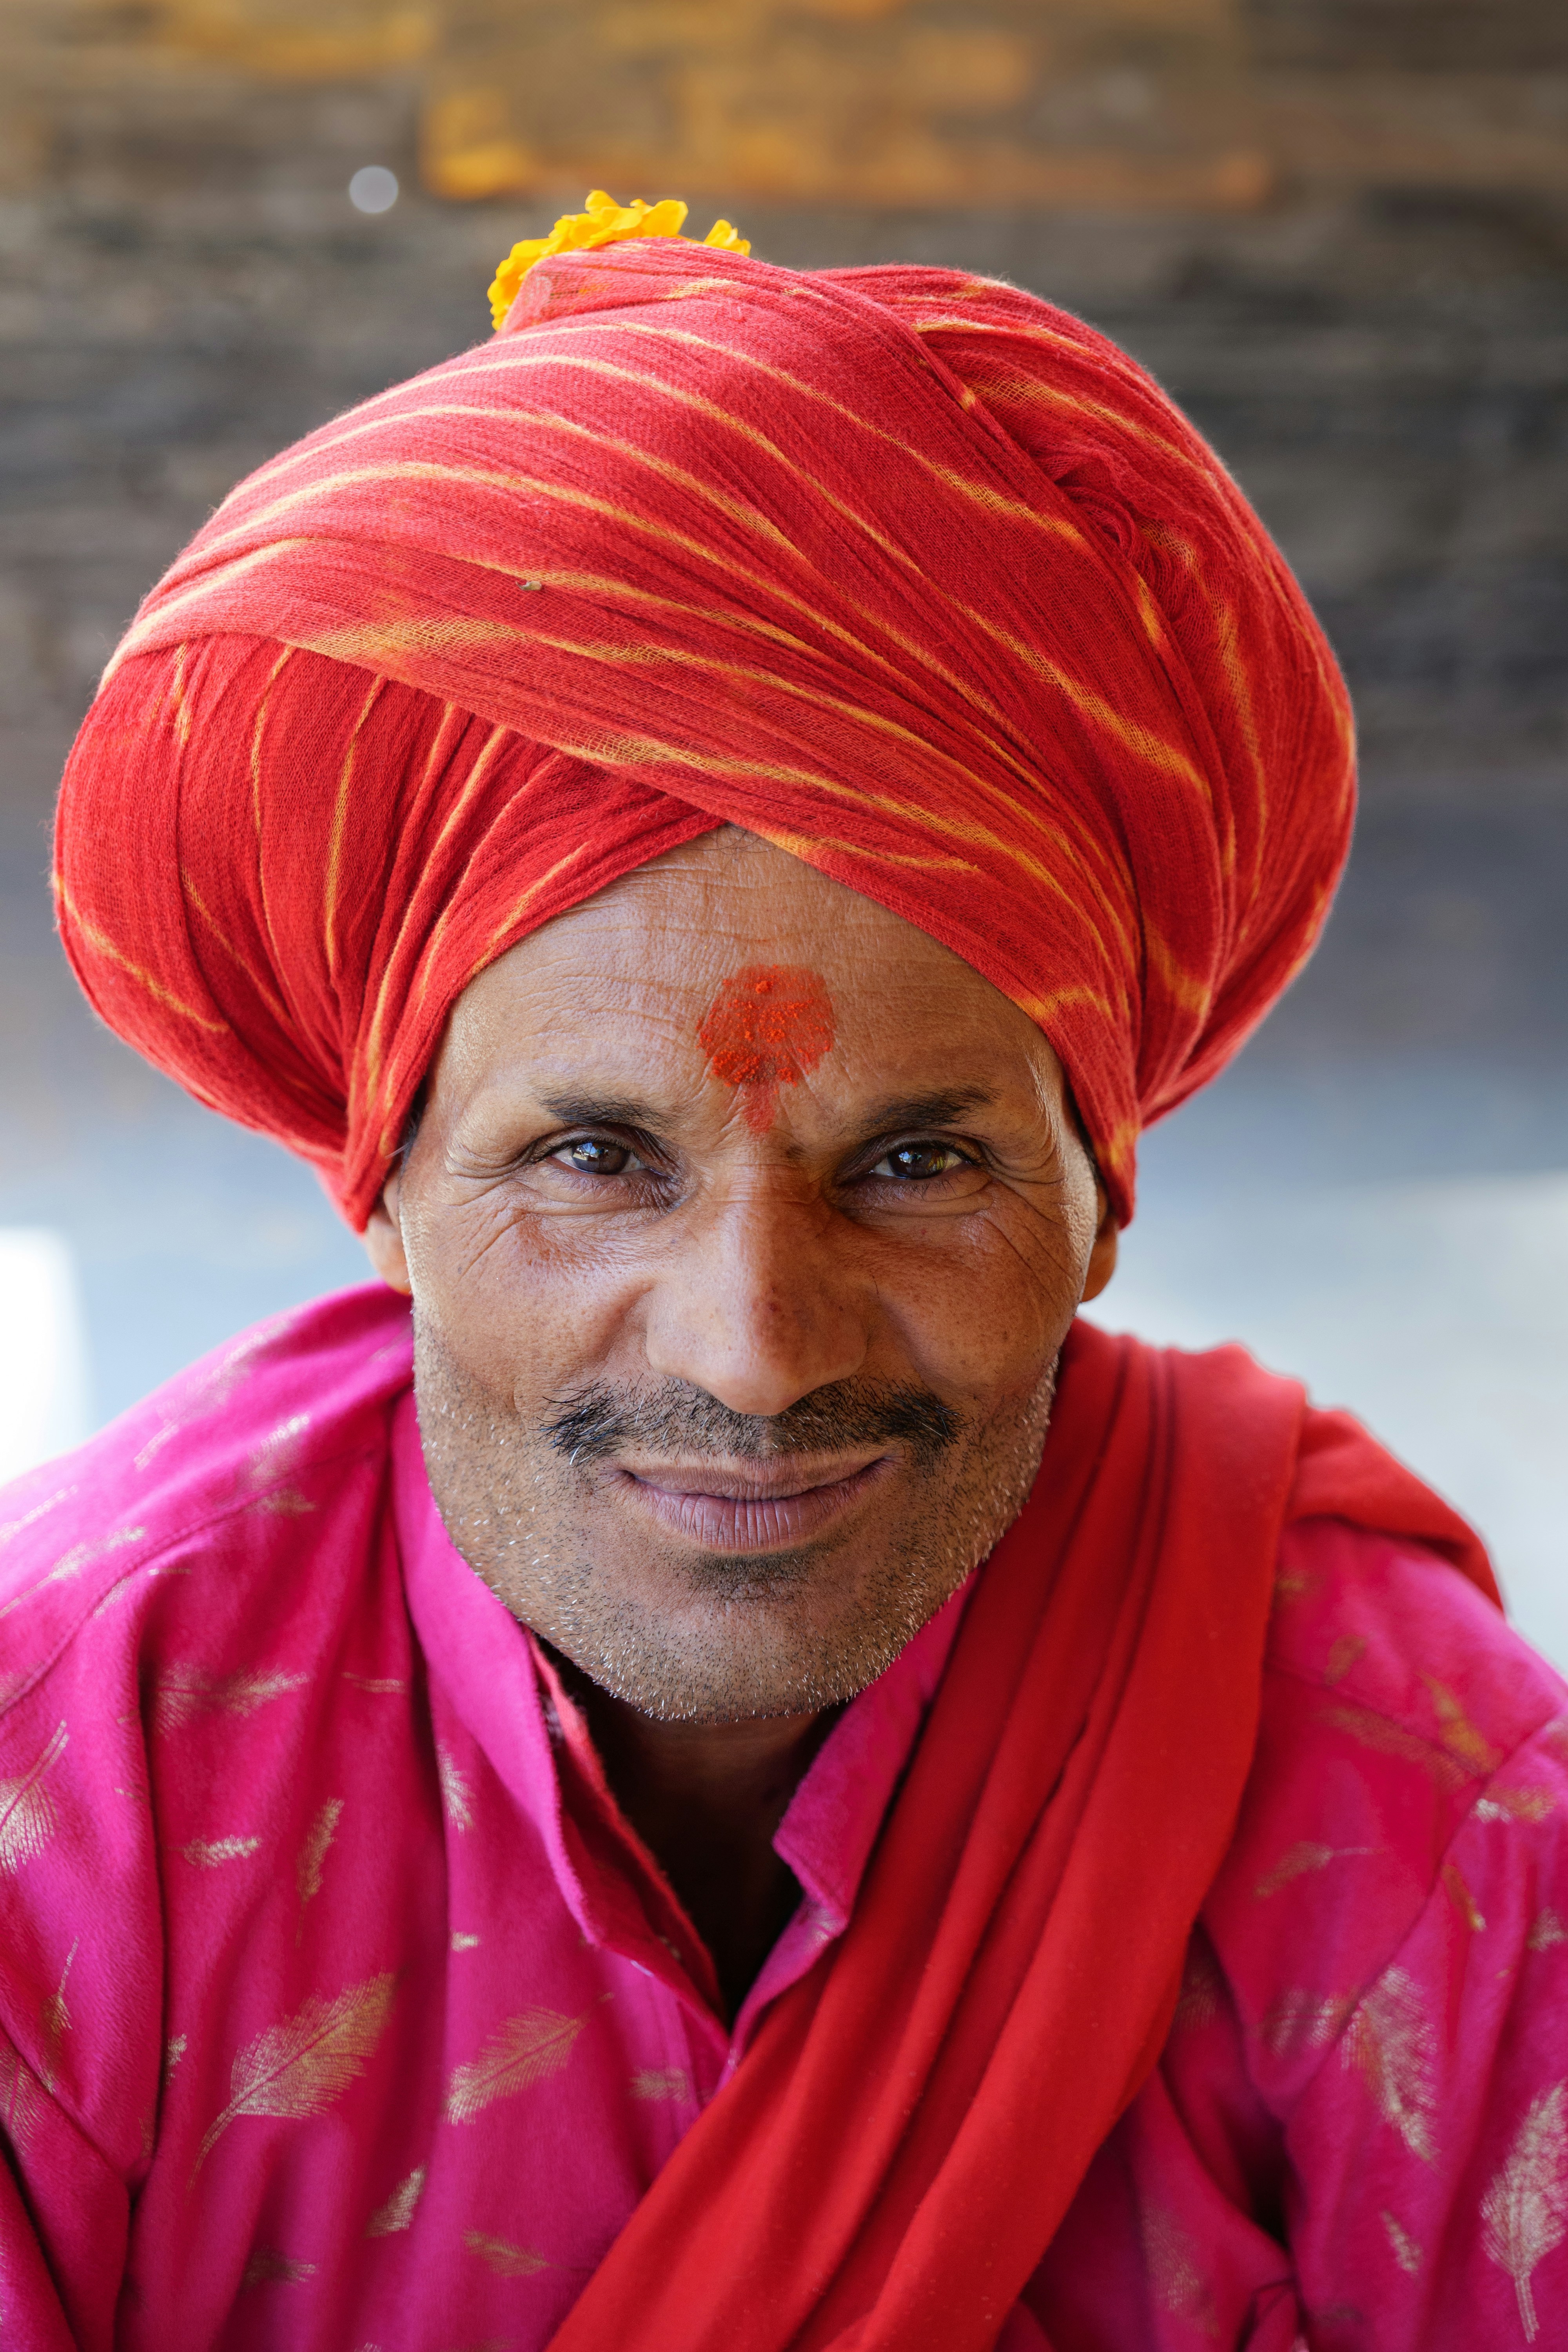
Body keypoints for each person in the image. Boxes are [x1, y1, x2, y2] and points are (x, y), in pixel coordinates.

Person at [6, 190, 1564, 2349]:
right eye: (591, 1159)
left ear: (1106, 1185)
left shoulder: (1419, 1808)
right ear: (375, 1185)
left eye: (920, 1162)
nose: (754, 1358)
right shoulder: (59, 1807)